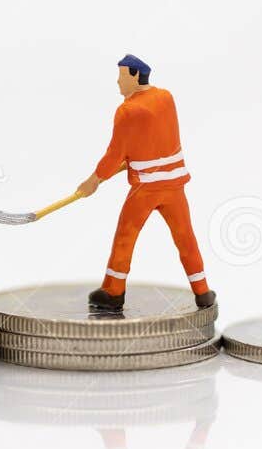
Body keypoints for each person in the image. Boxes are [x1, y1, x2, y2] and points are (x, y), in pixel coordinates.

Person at [76, 54, 216, 311]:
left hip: (145, 189)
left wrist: (93, 181)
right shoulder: (167, 98)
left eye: (120, 77)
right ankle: (203, 291)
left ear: (133, 75)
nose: (117, 83)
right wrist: (134, 156)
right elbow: (155, 137)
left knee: (125, 237)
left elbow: (114, 155)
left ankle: (114, 292)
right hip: (175, 185)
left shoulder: (126, 111)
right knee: (186, 238)